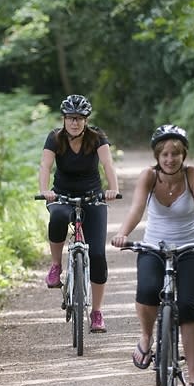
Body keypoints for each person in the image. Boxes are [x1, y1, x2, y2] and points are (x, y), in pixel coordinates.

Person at [110, 124, 194, 386]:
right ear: (157, 156)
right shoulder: (149, 177)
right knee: (148, 291)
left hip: (190, 247)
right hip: (153, 246)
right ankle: (146, 337)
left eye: (175, 153)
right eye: (164, 154)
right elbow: (137, 209)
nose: (170, 158)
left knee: (187, 306)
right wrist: (122, 234)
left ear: (184, 155)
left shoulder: (193, 175)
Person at [38, 94, 120, 333]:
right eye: (71, 118)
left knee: (97, 255)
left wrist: (112, 189)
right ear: (64, 119)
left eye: (80, 118)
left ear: (86, 120)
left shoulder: (97, 137)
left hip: (93, 196)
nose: (75, 123)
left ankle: (96, 312)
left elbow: (108, 164)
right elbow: (45, 166)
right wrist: (45, 191)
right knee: (59, 217)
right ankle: (55, 266)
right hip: (61, 195)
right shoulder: (55, 138)